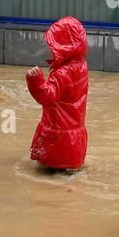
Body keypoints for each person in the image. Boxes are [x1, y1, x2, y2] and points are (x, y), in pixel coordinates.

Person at [25, 16, 89, 171]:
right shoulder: (81, 65)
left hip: (57, 139)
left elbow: (46, 97)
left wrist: (36, 80)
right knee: (66, 179)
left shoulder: (62, 73)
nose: (51, 49)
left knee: (44, 179)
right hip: (74, 141)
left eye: (54, 45)